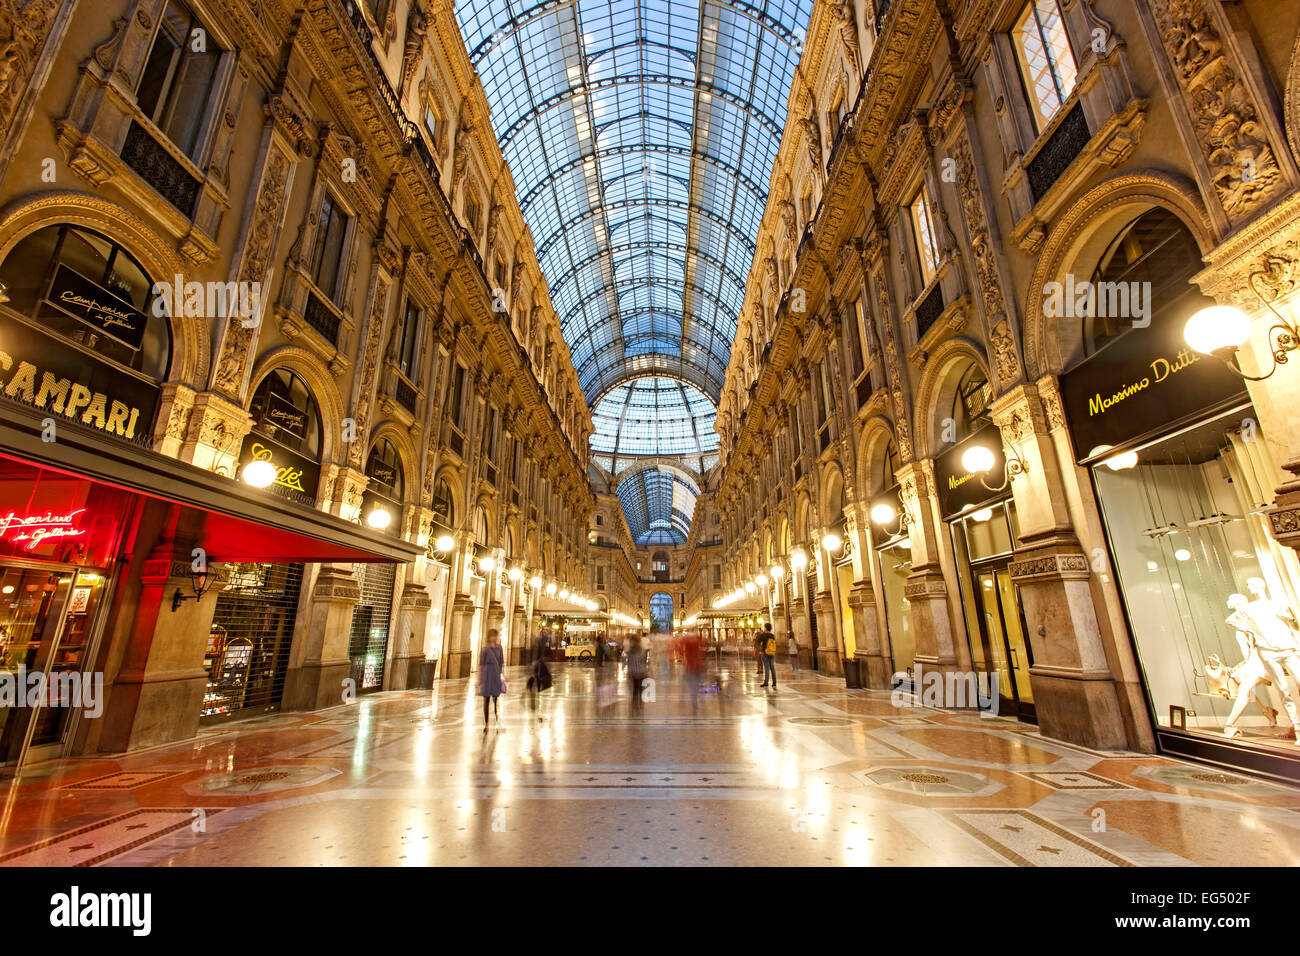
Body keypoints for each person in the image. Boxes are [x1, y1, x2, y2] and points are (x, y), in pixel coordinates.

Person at [478, 629, 505, 729]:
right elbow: (481, 664)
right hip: (487, 675)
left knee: (496, 699)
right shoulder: (485, 649)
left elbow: (501, 662)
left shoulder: (499, 648)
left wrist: (502, 674)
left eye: (496, 636)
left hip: (495, 675)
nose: (494, 638)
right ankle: (486, 723)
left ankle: (497, 720)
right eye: (493, 636)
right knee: (486, 699)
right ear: (489, 637)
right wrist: (479, 679)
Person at [626, 633, 648, 713]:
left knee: (634, 690)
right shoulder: (642, 651)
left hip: (632, 673)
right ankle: (640, 705)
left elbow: (628, 662)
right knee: (640, 689)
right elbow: (644, 662)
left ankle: (634, 704)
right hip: (641, 672)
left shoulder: (629, 651)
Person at [759, 622, 778, 688]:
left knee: (767, 668)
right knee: (772, 667)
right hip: (772, 653)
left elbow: (758, 641)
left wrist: (761, 633)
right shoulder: (772, 635)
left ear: (765, 628)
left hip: (765, 653)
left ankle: (766, 682)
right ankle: (774, 682)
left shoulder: (763, 635)